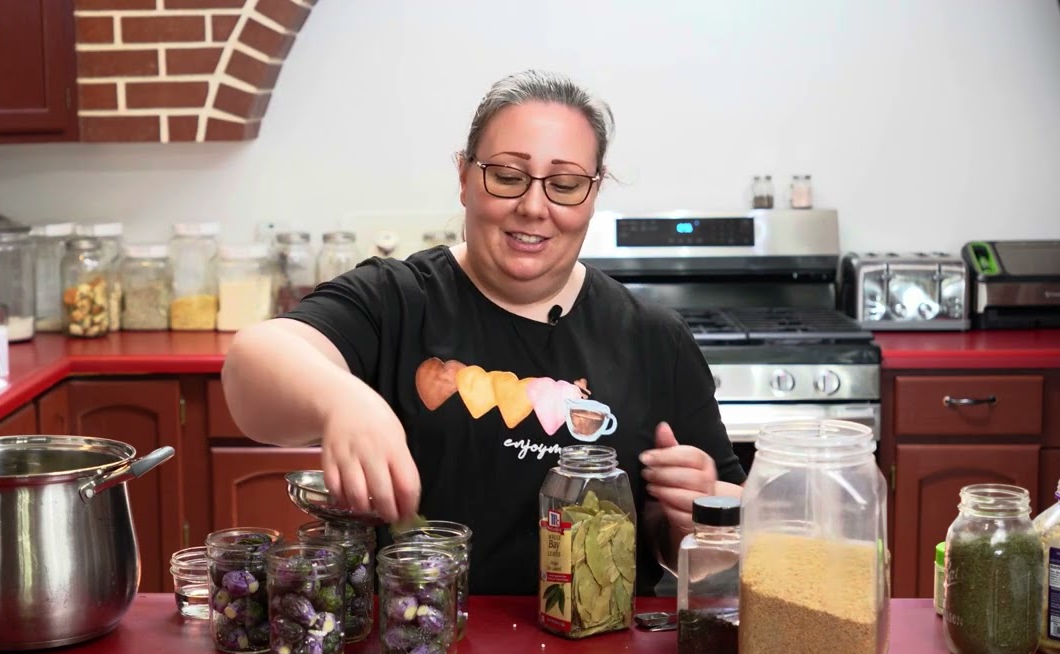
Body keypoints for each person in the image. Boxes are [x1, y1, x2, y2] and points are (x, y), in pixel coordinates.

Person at [222, 69, 745, 596]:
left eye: (564, 185)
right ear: (464, 176)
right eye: (508, 176)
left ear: (593, 192)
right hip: (417, 635)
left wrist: (697, 518)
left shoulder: (653, 337)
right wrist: (343, 402)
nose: (534, 208)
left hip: (601, 642)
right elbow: (255, 360)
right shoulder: (398, 299)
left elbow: (725, 553)